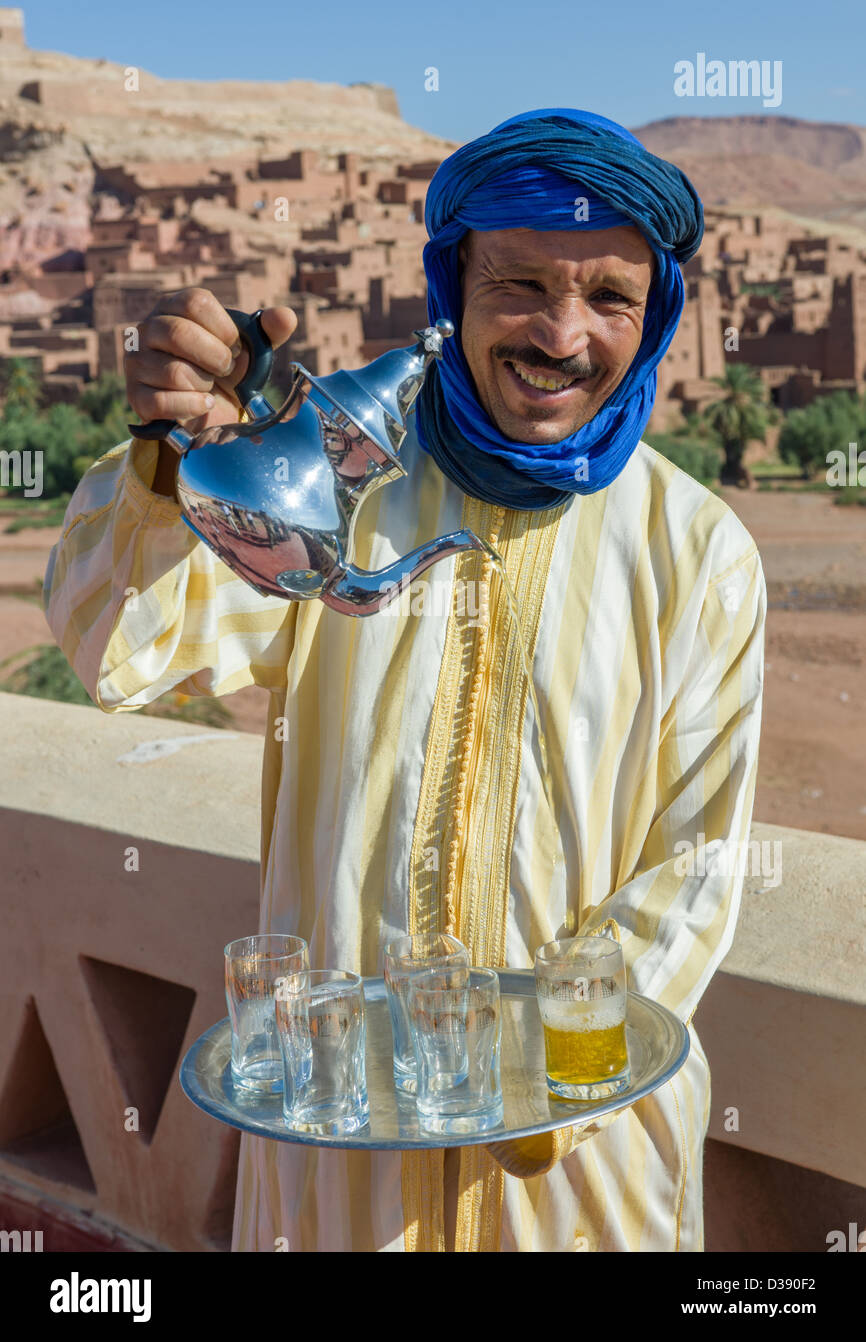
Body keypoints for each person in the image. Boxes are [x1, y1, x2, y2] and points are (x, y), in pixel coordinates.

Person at [44, 107, 766, 1253]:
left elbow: (695, 868)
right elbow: (121, 652)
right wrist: (178, 464)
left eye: (609, 297)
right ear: (451, 288)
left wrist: (539, 1097)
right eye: (519, 284)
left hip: (580, 1192)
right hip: (337, 1190)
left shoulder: (697, 553)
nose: (562, 334)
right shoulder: (335, 483)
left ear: (658, 313)